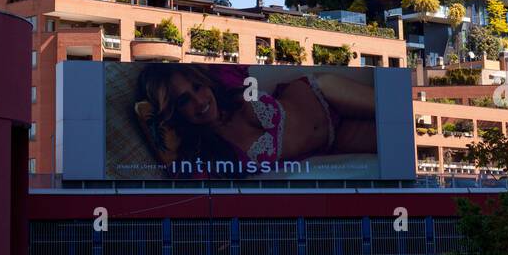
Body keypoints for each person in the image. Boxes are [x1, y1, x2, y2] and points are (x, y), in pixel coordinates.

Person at [134, 63, 376, 178]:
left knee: (393, 114)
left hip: (321, 91)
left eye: (198, 87)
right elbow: (180, 176)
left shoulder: (225, 83)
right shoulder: (209, 157)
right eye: (184, 100)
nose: (200, 101)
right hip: (335, 139)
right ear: (174, 112)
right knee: (395, 141)